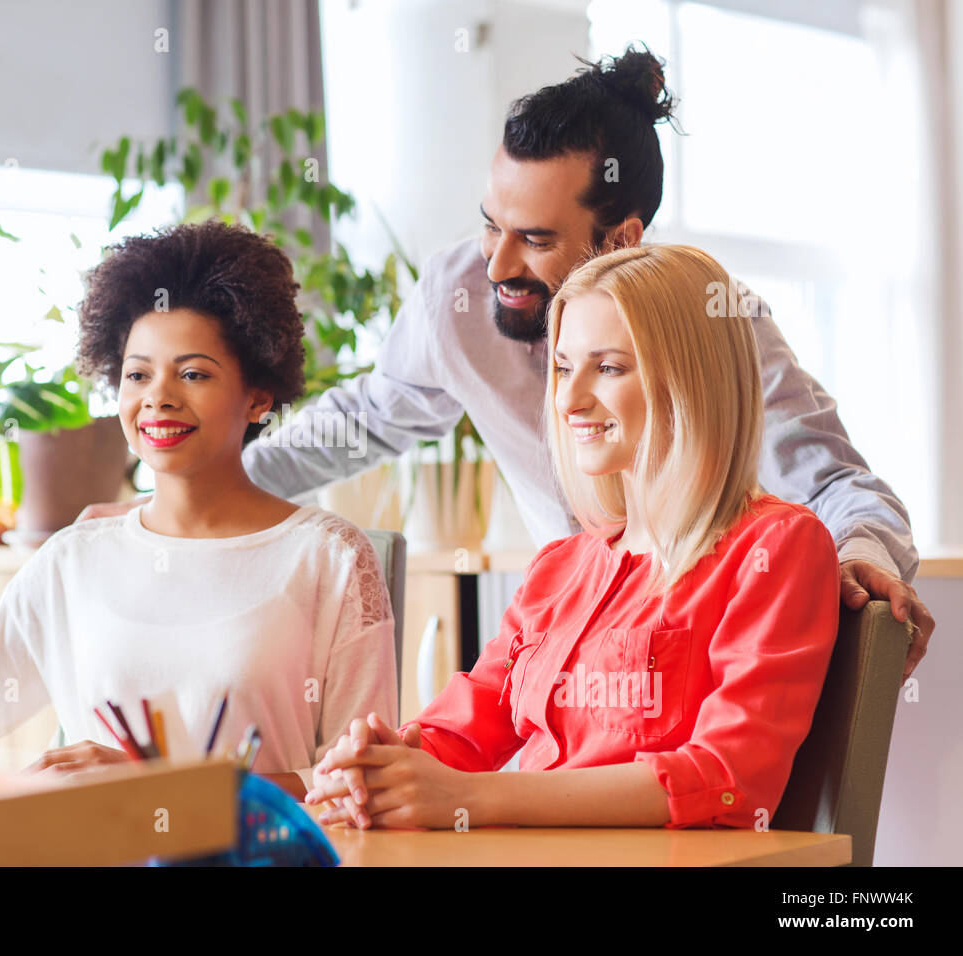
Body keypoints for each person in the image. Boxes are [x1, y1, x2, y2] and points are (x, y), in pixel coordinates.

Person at [76, 47, 934, 677]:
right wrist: (201, 484)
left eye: (534, 239)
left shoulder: (716, 321)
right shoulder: (461, 293)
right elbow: (369, 418)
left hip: (695, 659)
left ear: (622, 237)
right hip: (565, 651)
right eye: (491, 222)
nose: (496, 264)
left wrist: (862, 557)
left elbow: (845, 487)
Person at [305, 244, 841, 829]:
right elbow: (464, 728)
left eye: (607, 367)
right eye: (562, 367)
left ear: (692, 377)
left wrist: (471, 798)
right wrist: (386, 764)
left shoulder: (776, 547)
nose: (566, 399)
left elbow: (727, 778)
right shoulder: (560, 566)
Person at [0, 220, 397, 797]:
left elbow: (359, 780)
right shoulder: (72, 559)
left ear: (258, 396)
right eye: (138, 374)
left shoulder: (329, 557)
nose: (159, 395)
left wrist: (166, 788)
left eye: (193, 373)